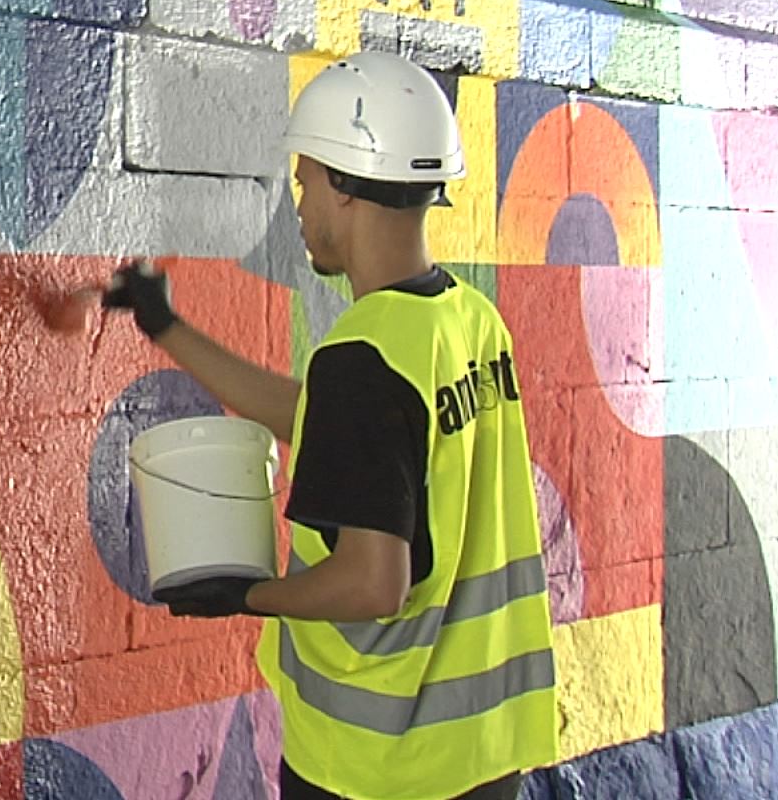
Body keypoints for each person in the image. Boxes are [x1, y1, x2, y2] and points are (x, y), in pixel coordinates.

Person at [102, 52, 557, 800]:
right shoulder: (471, 322)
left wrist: (245, 596)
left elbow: (374, 583)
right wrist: (167, 326)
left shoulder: (363, 356)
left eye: (305, 180)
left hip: (377, 766)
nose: (302, 204)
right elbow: (332, 431)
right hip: (482, 752)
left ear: (345, 184)